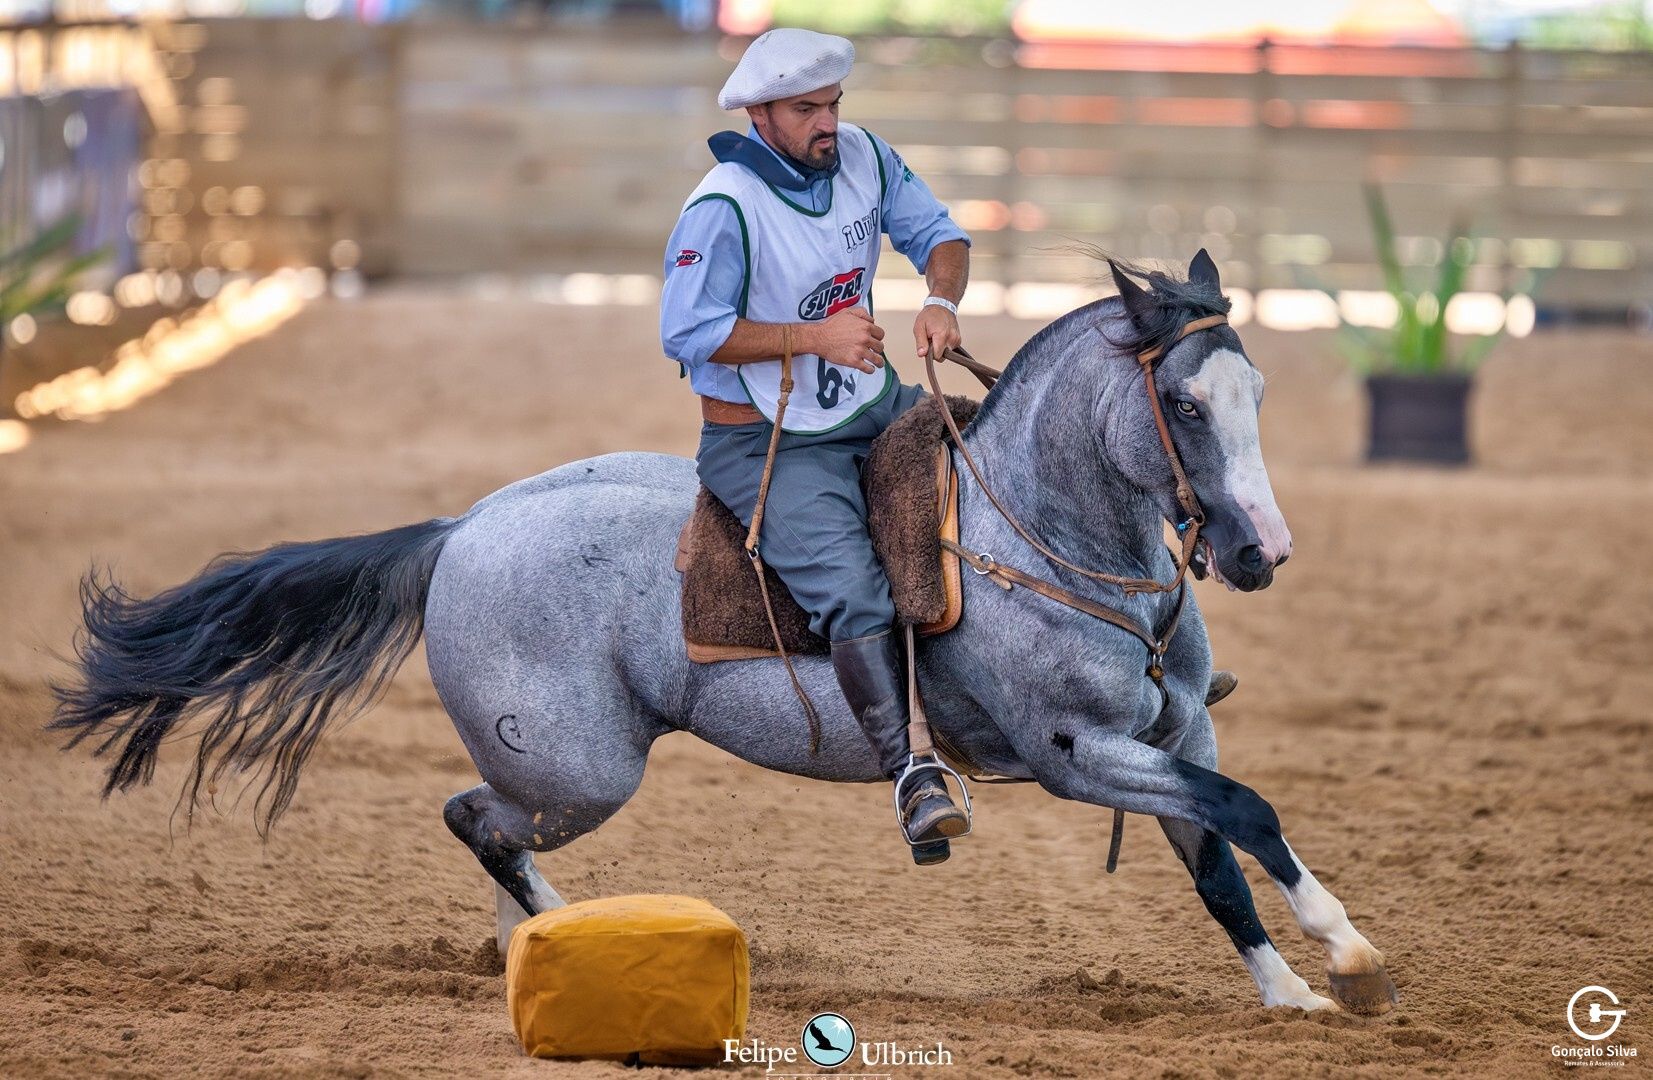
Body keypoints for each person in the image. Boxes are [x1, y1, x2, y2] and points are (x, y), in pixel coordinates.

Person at [660, 28, 972, 857]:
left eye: (833, 105)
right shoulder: (720, 205)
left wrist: (942, 300)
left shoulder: (864, 155)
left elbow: (938, 233)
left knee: (996, 453)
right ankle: (910, 772)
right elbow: (687, 332)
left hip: (871, 399)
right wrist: (812, 337)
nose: (827, 123)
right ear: (760, 114)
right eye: (807, 110)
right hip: (766, 441)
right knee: (855, 595)